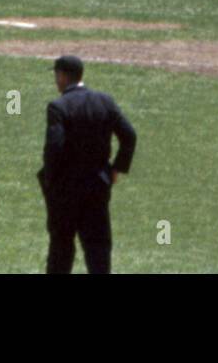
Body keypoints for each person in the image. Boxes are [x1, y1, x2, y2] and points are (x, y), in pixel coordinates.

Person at [38, 55, 137, 275]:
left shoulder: (58, 106)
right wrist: (115, 169)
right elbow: (129, 135)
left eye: (56, 74)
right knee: (98, 249)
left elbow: (54, 147)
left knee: (61, 248)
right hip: (98, 184)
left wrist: (50, 180)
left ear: (63, 76)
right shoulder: (105, 101)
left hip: (65, 189)